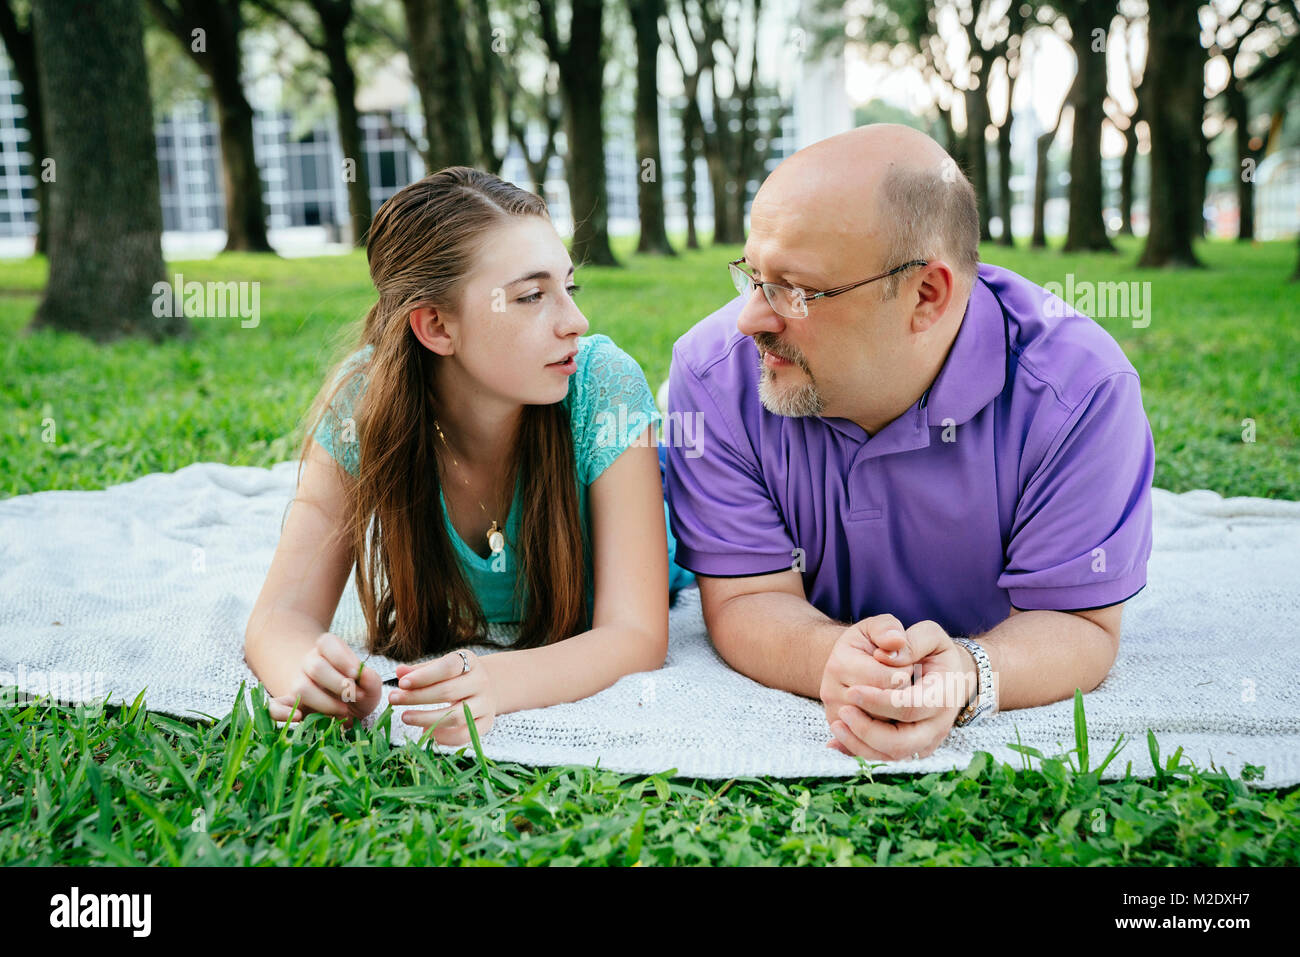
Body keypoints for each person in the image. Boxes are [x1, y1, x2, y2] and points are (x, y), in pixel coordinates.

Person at [664, 124, 1155, 762]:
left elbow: (1081, 626)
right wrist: (829, 662)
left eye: (793, 289)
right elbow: (745, 597)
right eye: (752, 275)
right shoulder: (713, 376)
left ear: (926, 295)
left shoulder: (1080, 391)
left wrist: (967, 674)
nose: (751, 318)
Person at [244, 166, 693, 746]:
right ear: (435, 325)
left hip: (655, 520)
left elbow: (635, 635)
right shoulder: (362, 404)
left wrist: (498, 680)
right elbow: (279, 619)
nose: (575, 322)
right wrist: (306, 673)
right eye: (532, 297)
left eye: (569, 287)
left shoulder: (602, 385)